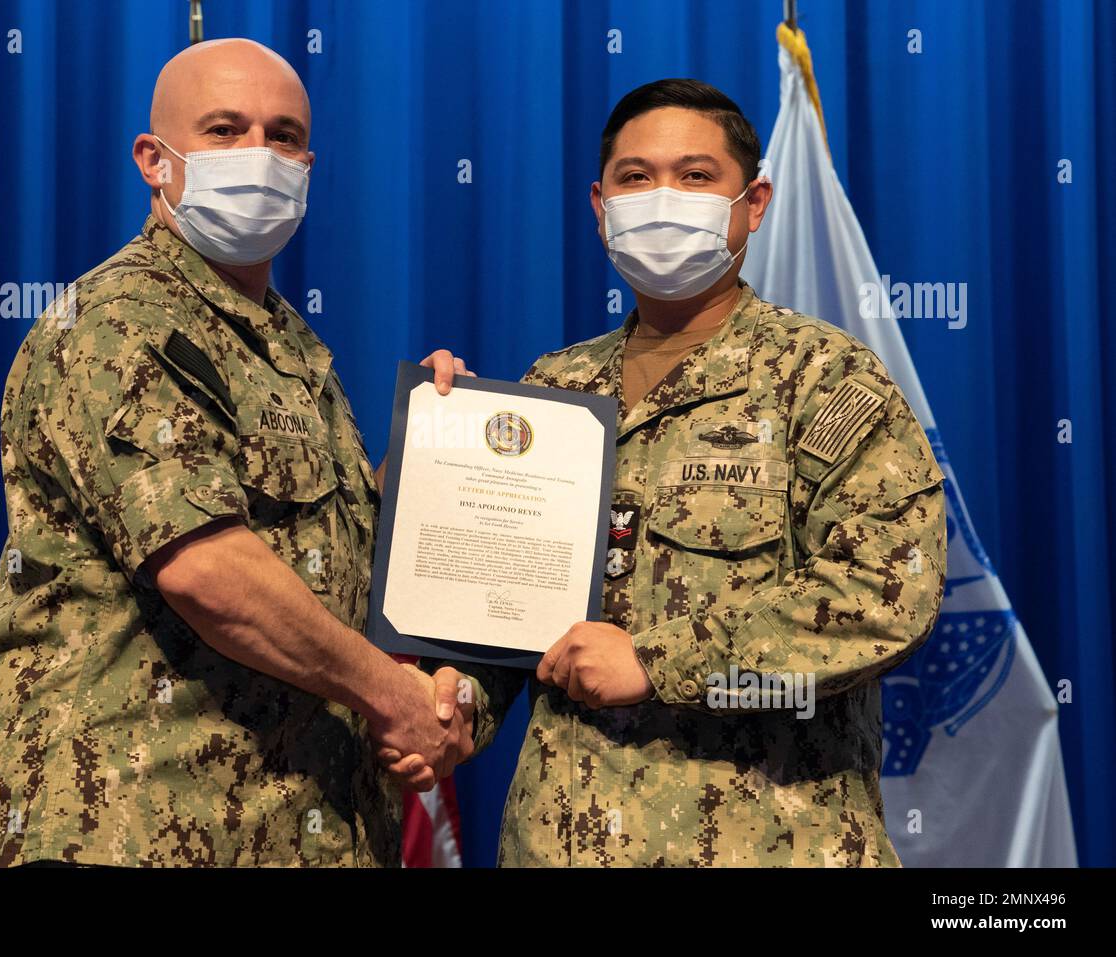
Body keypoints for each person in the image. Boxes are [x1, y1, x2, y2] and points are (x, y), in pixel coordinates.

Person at [0, 38, 470, 868]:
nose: (258, 155)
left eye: (283, 134)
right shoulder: (121, 320)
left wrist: (440, 457)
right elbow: (205, 568)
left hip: (278, 826)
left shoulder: (289, 345)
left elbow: (326, 560)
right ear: (156, 160)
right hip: (124, 825)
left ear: (308, 163)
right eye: (225, 130)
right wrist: (392, 694)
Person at [399, 78, 947, 866]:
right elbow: (508, 627)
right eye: (635, 177)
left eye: (695, 177)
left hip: (769, 846)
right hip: (559, 842)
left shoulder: (827, 380)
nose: (662, 198)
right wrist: (452, 709)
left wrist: (658, 663)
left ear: (752, 203)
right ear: (599, 204)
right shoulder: (552, 390)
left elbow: (886, 595)